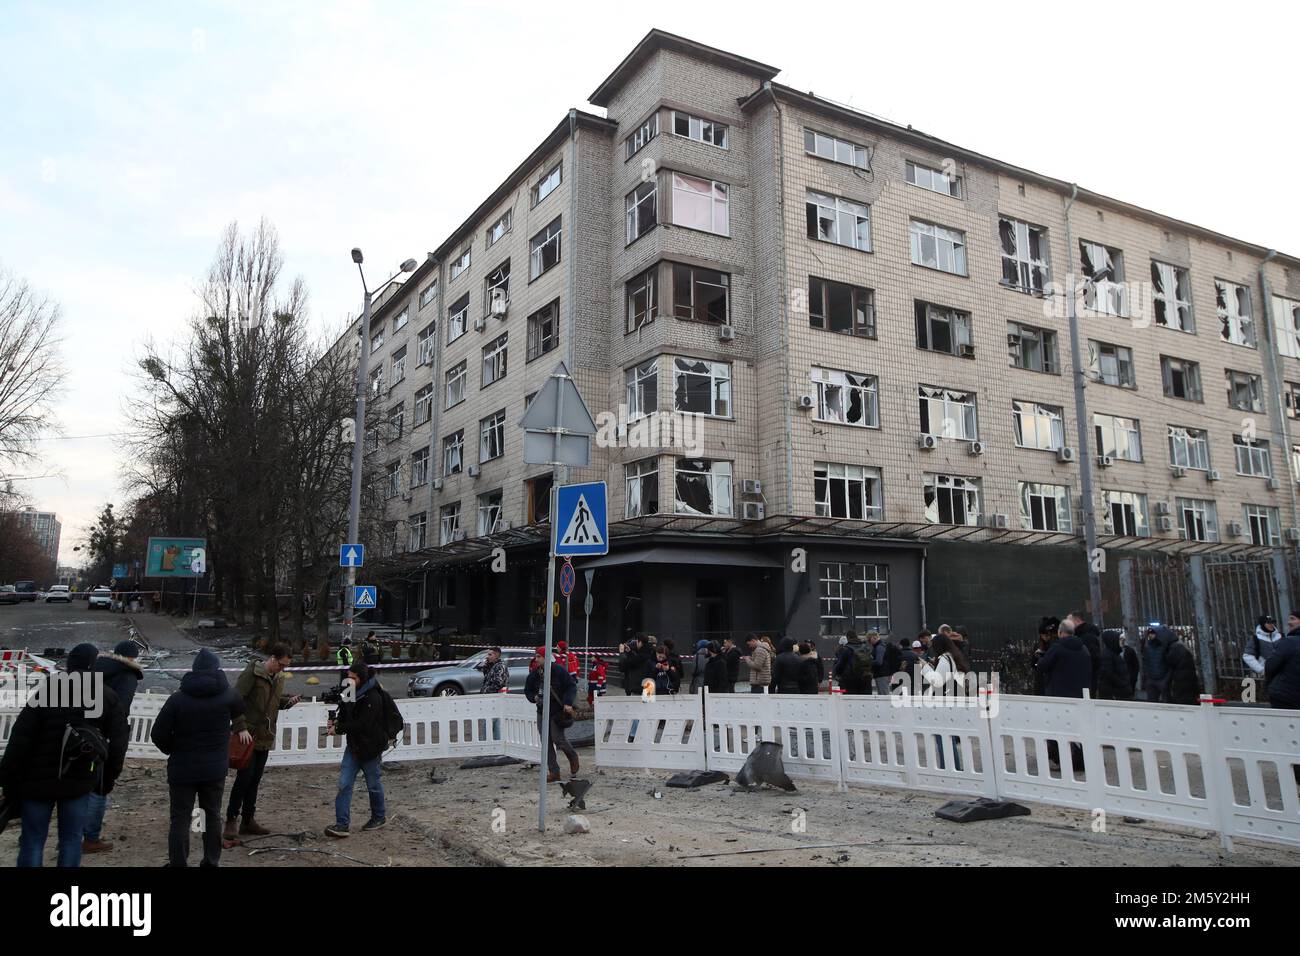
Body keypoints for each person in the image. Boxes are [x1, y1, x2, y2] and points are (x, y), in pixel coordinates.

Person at [0, 643, 129, 867]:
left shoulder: (48, 689)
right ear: (93, 665)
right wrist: (106, 780)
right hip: (78, 780)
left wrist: (8, 781)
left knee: (32, 841)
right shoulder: (106, 695)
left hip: (36, 781)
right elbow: (118, 743)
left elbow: (20, 738)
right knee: (71, 839)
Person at [150, 648, 245, 866]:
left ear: (193, 670)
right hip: (214, 770)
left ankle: (178, 863)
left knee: (181, 818)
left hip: (182, 768)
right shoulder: (229, 695)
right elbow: (240, 710)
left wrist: (173, 750)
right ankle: (211, 862)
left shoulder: (177, 700)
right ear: (216, 669)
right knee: (211, 815)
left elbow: (157, 734)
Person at [224, 644, 300, 840]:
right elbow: (235, 699)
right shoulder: (252, 673)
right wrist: (240, 726)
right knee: (244, 779)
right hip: (247, 736)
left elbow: (271, 703)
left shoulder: (278, 678)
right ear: (273, 659)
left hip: (265, 736)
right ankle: (231, 819)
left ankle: (248, 821)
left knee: (255, 780)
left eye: (286, 666)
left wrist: (286, 703)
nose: (283, 669)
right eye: (281, 665)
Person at [325, 661, 402, 837]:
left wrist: (339, 728)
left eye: (352, 677)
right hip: (354, 746)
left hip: (371, 747)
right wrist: (336, 722)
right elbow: (346, 715)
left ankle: (378, 817)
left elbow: (363, 724)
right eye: (348, 677)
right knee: (344, 784)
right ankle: (341, 824)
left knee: (373, 785)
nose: (348, 680)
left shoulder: (373, 697)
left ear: (361, 678)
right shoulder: (349, 691)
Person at [83, 639, 144, 853]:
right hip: (105, 738)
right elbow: (121, 709)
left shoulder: (95, 670)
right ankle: (91, 837)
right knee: (100, 787)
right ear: (131, 658)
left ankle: (73, 833)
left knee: (77, 784)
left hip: (80, 734)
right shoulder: (127, 676)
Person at [1036, 620, 1090, 772]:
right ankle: (1082, 759)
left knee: (1059, 731)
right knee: (1079, 731)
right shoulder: (1083, 648)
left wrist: (1039, 658)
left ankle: (1066, 761)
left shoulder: (1058, 648)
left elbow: (1043, 666)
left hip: (1059, 696)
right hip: (1080, 696)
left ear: (1060, 632)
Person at [524, 647, 579, 782]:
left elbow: (571, 686)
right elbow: (528, 690)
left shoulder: (558, 670)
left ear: (546, 657)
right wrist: (534, 698)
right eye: (535, 656)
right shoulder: (535, 673)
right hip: (542, 710)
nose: (536, 659)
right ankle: (554, 772)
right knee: (546, 742)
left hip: (557, 711)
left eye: (538, 656)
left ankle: (573, 757)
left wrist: (567, 703)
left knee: (558, 738)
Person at [917, 634, 969, 771]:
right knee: (947, 737)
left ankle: (949, 769)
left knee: (943, 737)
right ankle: (953, 768)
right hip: (952, 698)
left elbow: (937, 680)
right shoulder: (952, 656)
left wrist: (924, 667)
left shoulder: (945, 658)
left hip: (944, 701)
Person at [1158, 626, 1200, 705]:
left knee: (1184, 701)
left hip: (1181, 682)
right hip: (1186, 681)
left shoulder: (1175, 649)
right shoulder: (1179, 646)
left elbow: (1167, 664)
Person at [1067, 611, 1102, 697]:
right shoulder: (1082, 635)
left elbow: (1094, 659)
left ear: (1077, 621)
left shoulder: (1087, 637)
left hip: (1087, 681)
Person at [1244, 615, 1283, 689]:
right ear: (1262, 624)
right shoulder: (1256, 638)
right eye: (1268, 623)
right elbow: (1247, 655)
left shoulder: (1280, 636)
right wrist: (1261, 670)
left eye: (1272, 622)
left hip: (1283, 673)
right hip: (1267, 676)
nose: (1271, 625)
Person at [1097, 629, 1132, 701]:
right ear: (1113, 641)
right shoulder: (1108, 655)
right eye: (1119, 640)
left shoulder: (1115, 653)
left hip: (1119, 691)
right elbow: (1109, 674)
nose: (1122, 643)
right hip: (1114, 693)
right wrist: (1122, 683)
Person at [1141, 626, 1169, 702]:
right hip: (1151, 680)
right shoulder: (1147, 647)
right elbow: (1145, 663)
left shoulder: (1165, 646)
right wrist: (1147, 678)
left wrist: (1166, 679)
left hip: (1162, 679)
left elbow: (1170, 664)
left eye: (1153, 633)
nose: (1150, 635)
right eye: (1149, 633)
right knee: (1152, 703)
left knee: (1167, 704)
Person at [1032, 617, 1059, 696]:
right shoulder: (1039, 645)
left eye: (1046, 635)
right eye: (1043, 635)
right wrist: (1037, 657)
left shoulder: (1053, 645)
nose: (1045, 638)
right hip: (1040, 678)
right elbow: (1033, 664)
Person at [834, 630, 866, 694]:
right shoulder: (864, 647)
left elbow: (840, 664)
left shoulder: (846, 649)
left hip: (849, 678)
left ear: (848, 637)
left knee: (848, 699)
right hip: (864, 677)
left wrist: (836, 673)